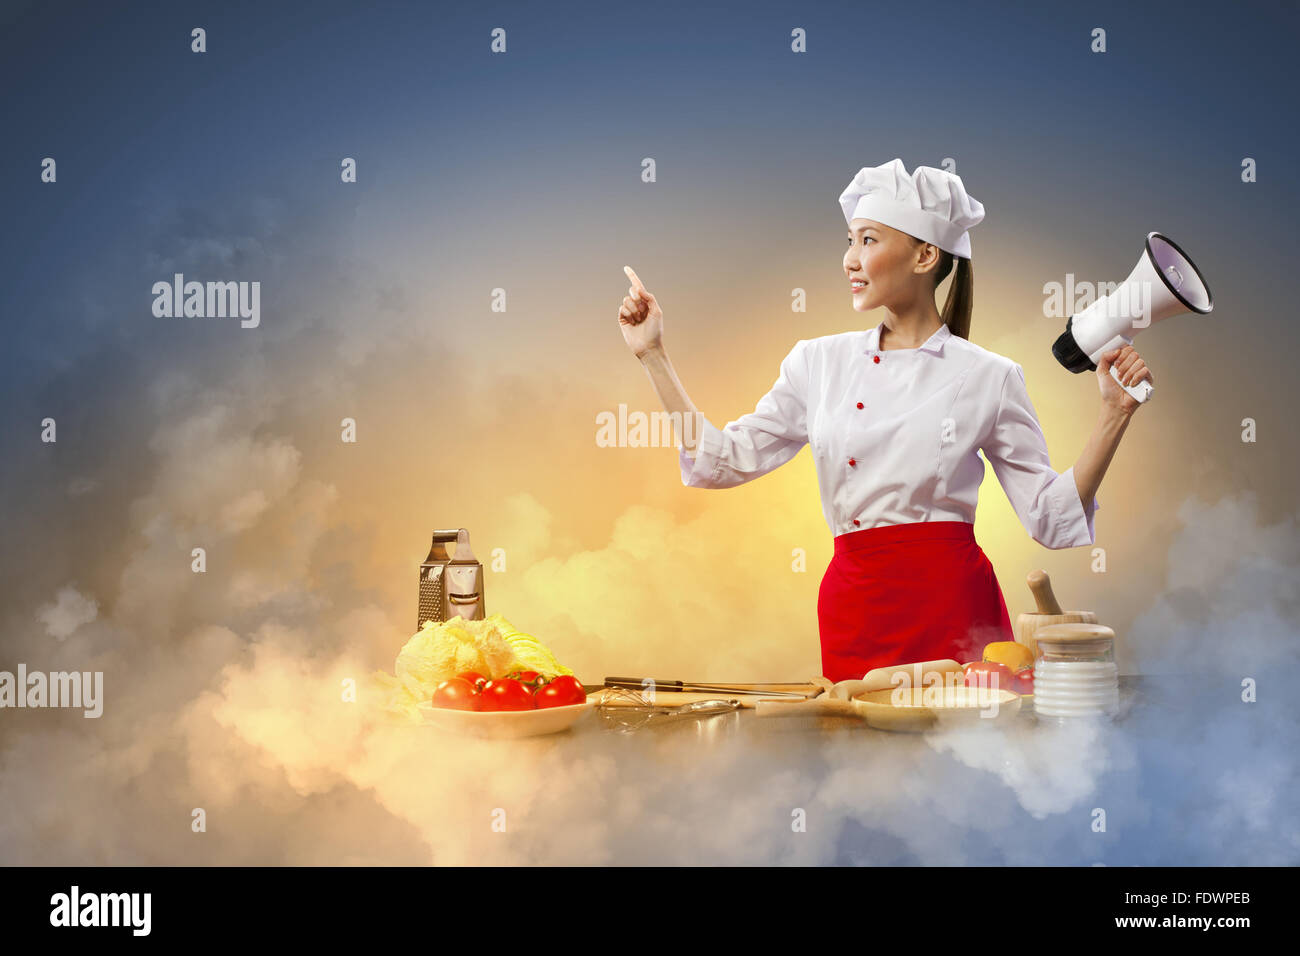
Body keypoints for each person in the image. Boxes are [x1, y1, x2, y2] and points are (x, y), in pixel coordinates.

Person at [617, 158, 1150, 682]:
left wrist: (1114, 414)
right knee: (864, 763)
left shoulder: (990, 376)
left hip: (955, 614)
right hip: (856, 612)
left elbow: (1050, 520)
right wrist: (654, 356)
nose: (850, 259)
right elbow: (719, 461)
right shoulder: (817, 362)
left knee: (963, 759)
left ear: (924, 255)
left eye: (867, 240)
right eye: (849, 241)